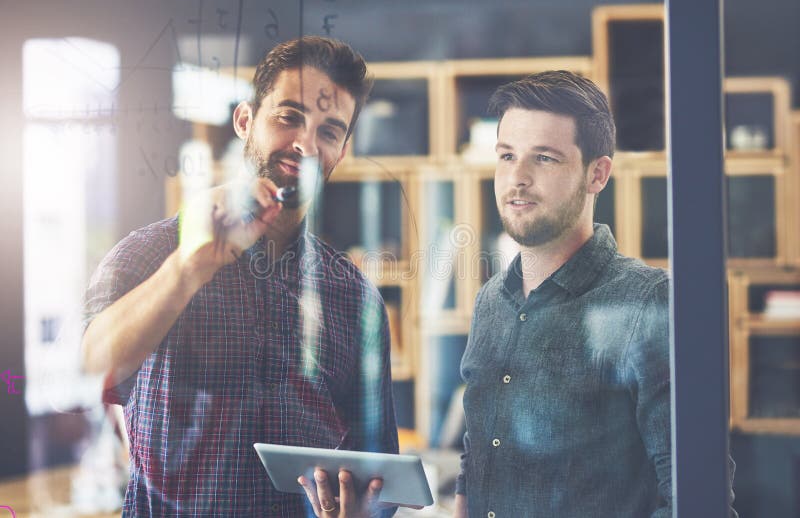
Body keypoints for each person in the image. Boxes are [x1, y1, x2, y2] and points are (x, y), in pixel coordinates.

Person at [81, 36, 399, 517]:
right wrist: (189, 267)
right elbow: (92, 368)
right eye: (288, 117)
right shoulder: (147, 254)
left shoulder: (355, 299)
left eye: (329, 131)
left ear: (342, 151)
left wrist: (361, 510)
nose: (306, 144)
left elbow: (378, 473)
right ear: (245, 121)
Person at [454, 71, 735, 517]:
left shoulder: (648, 303)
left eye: (544, 158)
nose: (517, 178)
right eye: (507, 156)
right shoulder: (491, 301)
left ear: (597, 174)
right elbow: (479, 455)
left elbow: (697, 498)